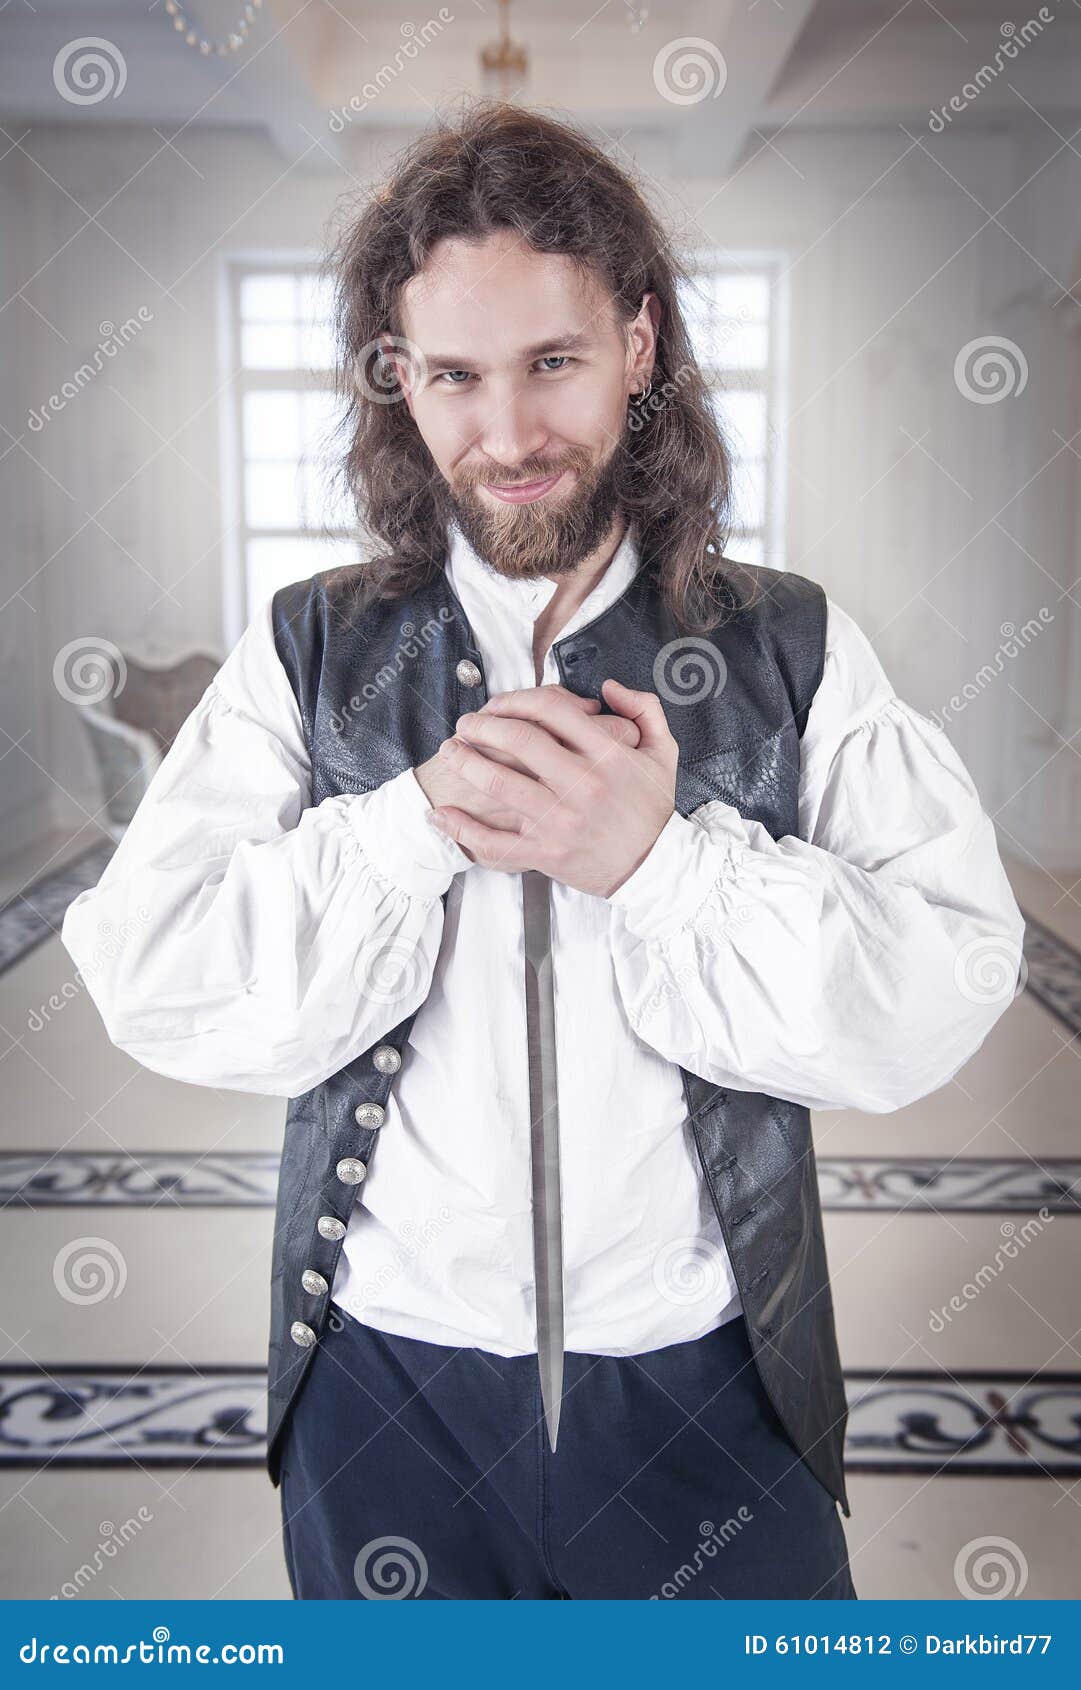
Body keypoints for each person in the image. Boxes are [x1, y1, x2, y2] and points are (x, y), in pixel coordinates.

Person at [61, 101, 1026, 1601]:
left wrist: (667, 865)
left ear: (638, 345)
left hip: (709, 1376)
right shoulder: (308, 649)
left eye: (551, 364)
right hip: (384, 1384)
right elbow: (148, 967)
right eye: (452, 375)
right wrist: (408, 827)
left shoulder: (790, 646)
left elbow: (943, 984)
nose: (502, 436)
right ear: (398, 378)